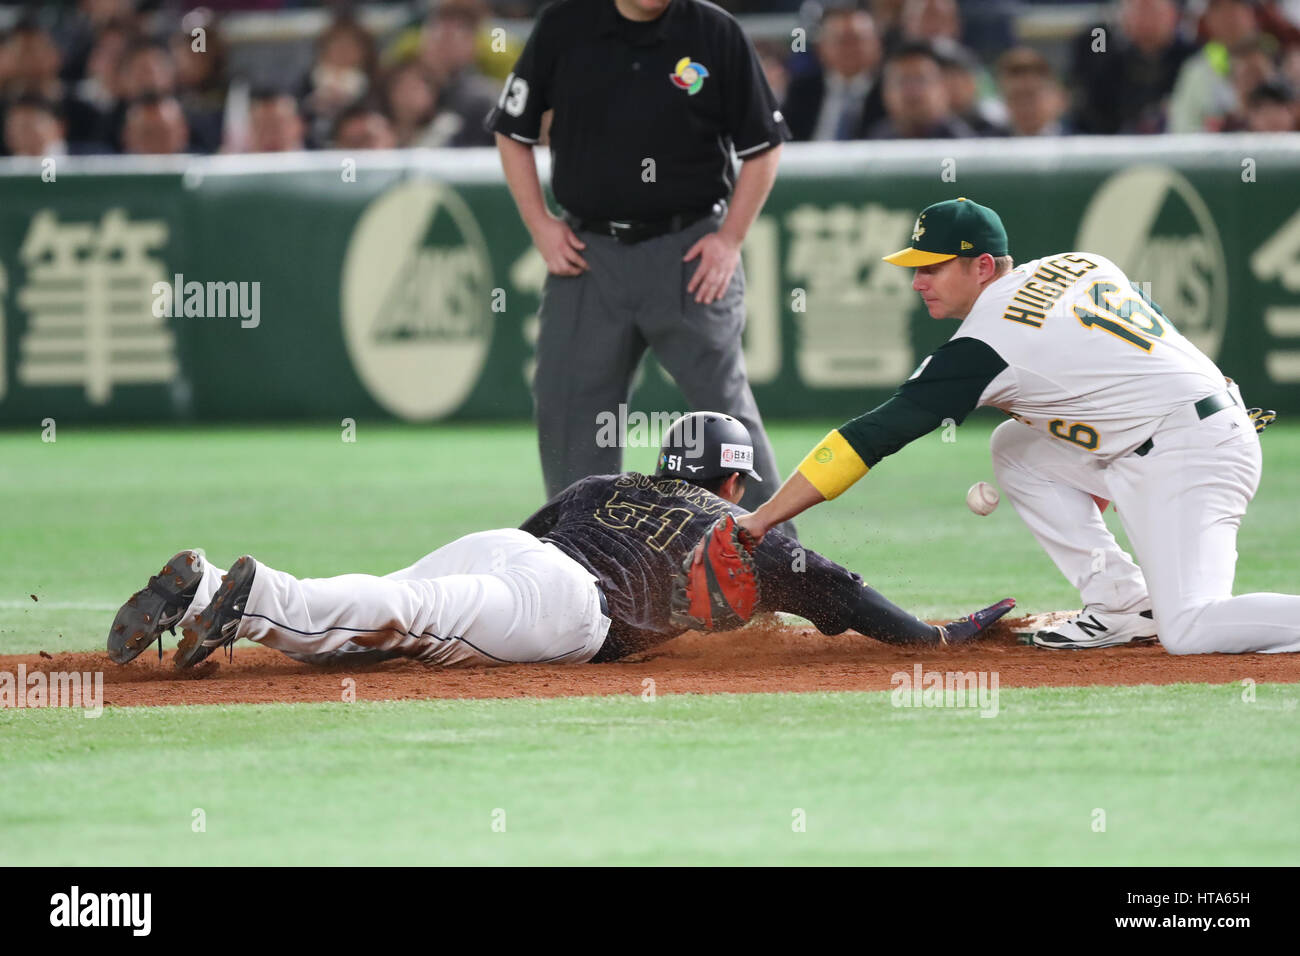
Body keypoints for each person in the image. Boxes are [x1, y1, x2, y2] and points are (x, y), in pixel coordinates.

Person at [730, 197, 1300, 656]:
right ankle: (1121, 604)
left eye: (931, 267)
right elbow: (1153, 341)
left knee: (1192, 628)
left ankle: (1160, 609)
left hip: (1189, 453)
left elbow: (869, 437)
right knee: (1018, 448)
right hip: (1184, 426)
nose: (917, 282)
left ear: (982, 266)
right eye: (914, 267)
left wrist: (760, 521)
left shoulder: (985, 344)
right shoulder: (1081, 263)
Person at [106, 413, 1013, 670]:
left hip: (504, 545)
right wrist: (930, 638)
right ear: (735, 482)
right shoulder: (742, 531)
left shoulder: (606, 483)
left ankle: (209, 590)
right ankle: (254, 594)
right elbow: (844, 596)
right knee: (411, 617)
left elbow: (528, 536)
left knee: (392, 617)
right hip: (566, 608)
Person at [486, 0, 792, 526]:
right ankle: (585, 565)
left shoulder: (713, 31)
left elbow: (763, 146)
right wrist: (540, 224)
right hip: (589, 254)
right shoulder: (565, 23)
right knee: (571, 413)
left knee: (725, 414)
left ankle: (780, 563)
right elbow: (511, 130)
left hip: (689, 248)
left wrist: (730, 239)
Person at [1068, 0, 1197, 134]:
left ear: (1174, 14)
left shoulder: (1193, 60)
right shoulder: (1103, 54)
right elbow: (1088, 114)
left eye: (1153, 10)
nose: (1146, 19)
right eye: (1139, 9)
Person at [782, 5, 885, 141]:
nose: (849, 49)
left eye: (857, 39)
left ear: (877, 44)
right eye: (841, 41)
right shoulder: (802, 90)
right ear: (821, 47)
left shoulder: (888, 89)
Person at [865, 40, 976, 138]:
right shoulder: (875, 142)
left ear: (942, 88)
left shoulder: (962, 143)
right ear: (885, 93)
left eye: (921, 80)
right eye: (902, 82)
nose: (912, 90)